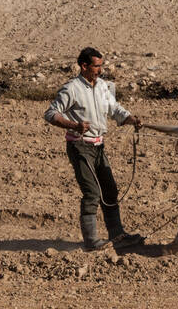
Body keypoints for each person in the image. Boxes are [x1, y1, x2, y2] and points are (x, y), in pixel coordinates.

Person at [43, 47, 147, 252]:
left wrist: (130, 119)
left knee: (109, 191)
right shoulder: (71, 88)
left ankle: (118, 236)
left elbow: (115, 109)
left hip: (99, 146)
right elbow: (51, 113)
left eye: (101, 65)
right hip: (79, 146)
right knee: (91, 193)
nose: (101, 70)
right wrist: (74, 126)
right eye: (97, 66)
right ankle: (91, 241)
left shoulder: (103, 86)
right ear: (84, 66)